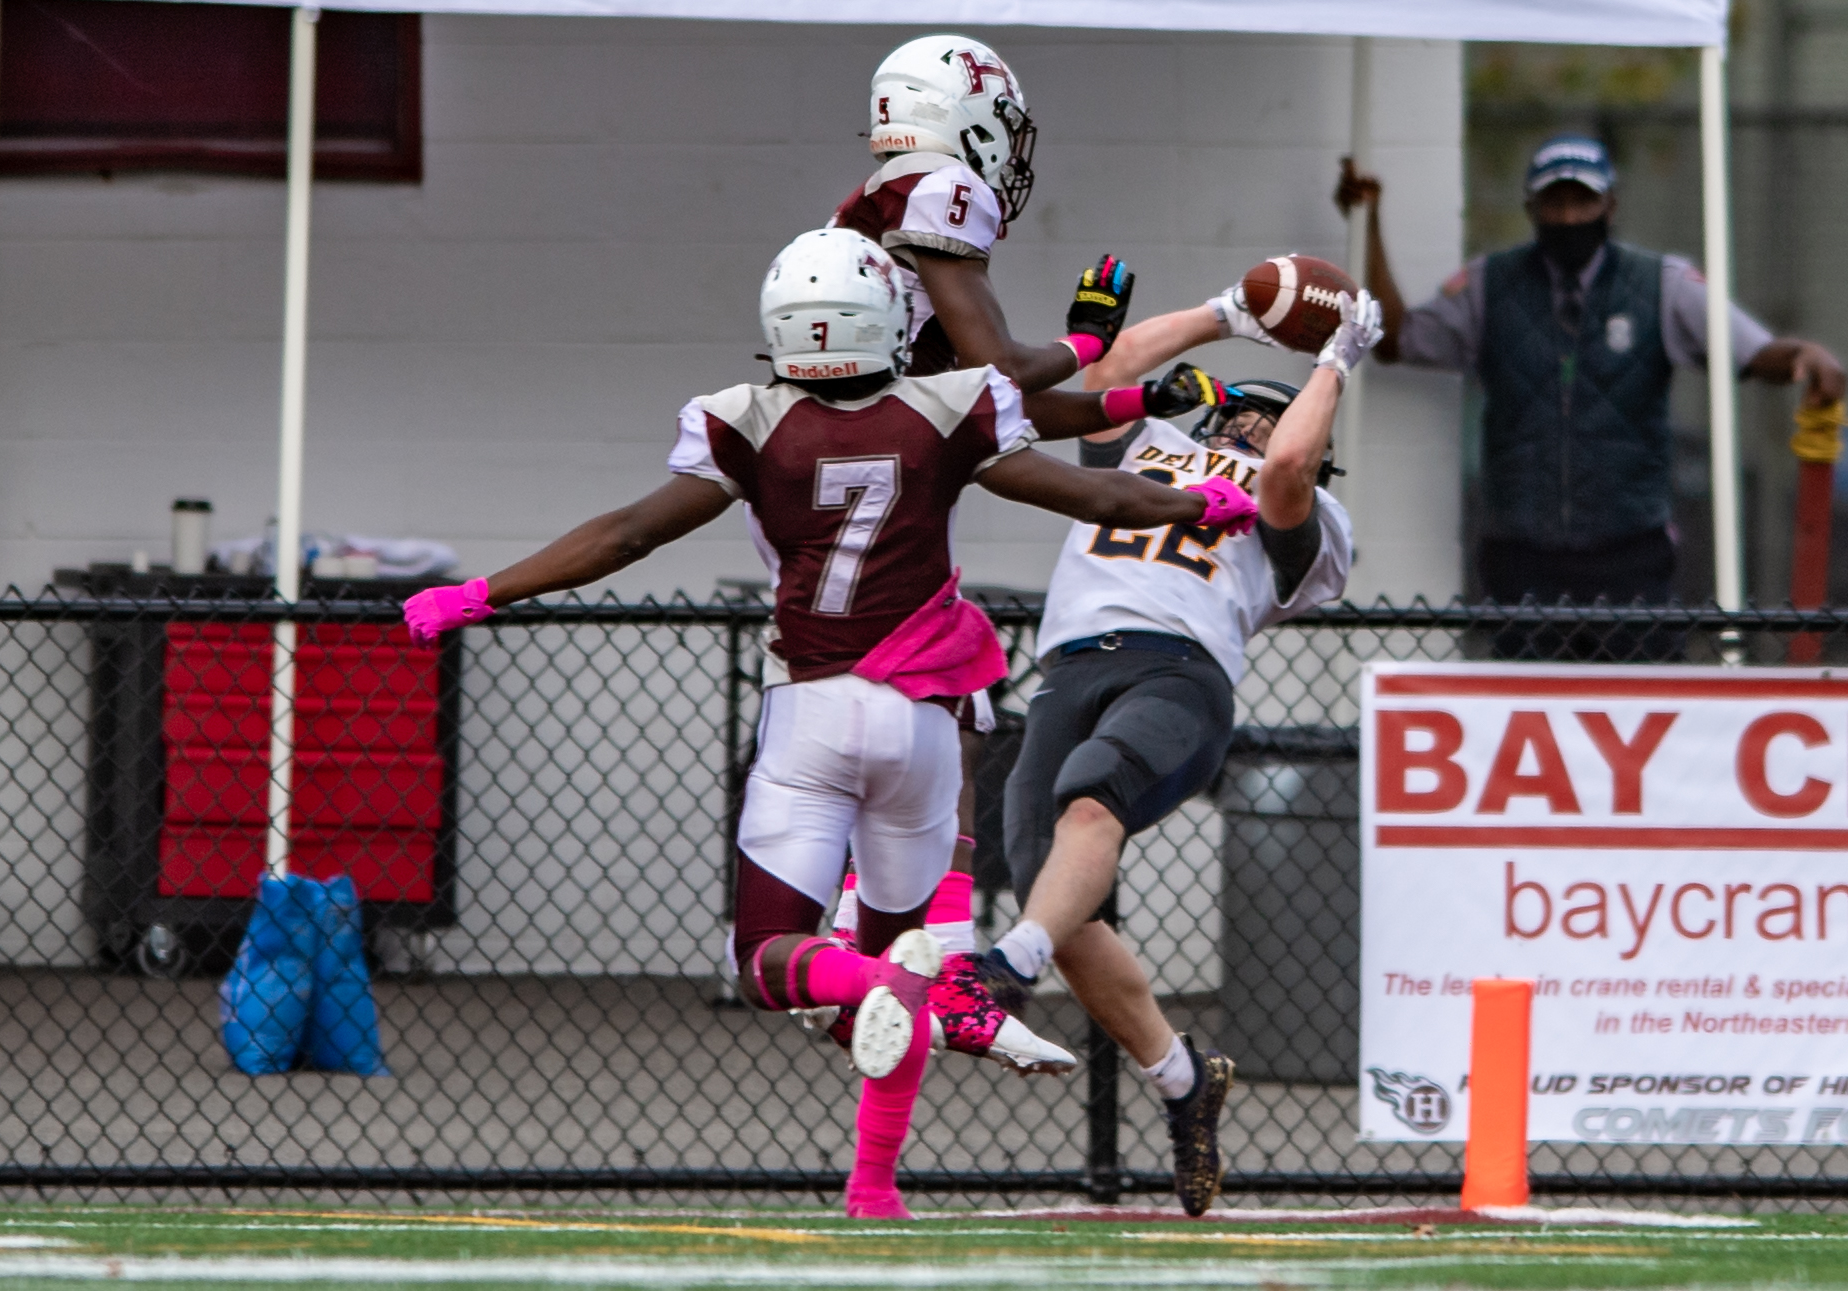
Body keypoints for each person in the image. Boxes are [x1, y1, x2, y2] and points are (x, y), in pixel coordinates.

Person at [401, 227, 1250, 1220]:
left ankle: (882, 995)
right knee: (897, 969)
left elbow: (626, 532)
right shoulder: (947, 405)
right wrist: (1192, 504)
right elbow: (1085, 488)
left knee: (764, 958)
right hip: (924, 728)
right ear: (886, 320)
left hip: (812, 712)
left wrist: (482, 592)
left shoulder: (746, 422)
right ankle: (873, 1183)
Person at [817, 32, 1210, 1075]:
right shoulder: (942, 188)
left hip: (857, 473)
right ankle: (881, 964)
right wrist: (1088, 343)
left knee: (951, 715)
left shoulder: (876, 208)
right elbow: (997, 372)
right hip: (890, 486)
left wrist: (1128, 398)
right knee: (946, 710)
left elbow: (994, 407)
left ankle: (892, 962)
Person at [975, 287, 1381, 1217]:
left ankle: (1008, 967)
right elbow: (1110, 372)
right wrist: (1228, 308)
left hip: (1177, 674)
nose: (1249, 418)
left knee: (1090, 795)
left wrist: (1335, 362)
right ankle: (1178, 1077)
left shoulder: (1307, 506)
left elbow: (1284, 467)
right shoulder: (1159, 446)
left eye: (1270, 411)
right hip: (1068, 672)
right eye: (1237, 404)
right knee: (1052, 880)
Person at [1336, 135, 1845, 643]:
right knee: (1527, 705)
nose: (1570, 216)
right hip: (1520, 554)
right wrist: (1368, 225)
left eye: (1583, 201)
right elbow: (1399, 339)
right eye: (1554, 202)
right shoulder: (1491, 284)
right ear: (1531, 208)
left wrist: (1804, 355)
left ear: (1610, 205)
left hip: (1629, 553)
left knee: (1635, 703)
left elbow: (1754, 353)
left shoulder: (1660, 285)